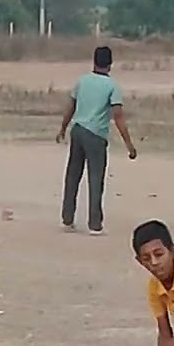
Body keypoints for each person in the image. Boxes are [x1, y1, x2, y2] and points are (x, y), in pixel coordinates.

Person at [56, 45, 136, 235]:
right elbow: (118, 116)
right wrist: (129, 144)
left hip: (78, 130)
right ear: (110, 64)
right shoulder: (112, 86)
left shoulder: (82, 81)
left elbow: (71, 107)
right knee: (95, 178)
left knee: (72, 175)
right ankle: (94, 224)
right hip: (96, 135)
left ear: (94, 61)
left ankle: (67, 219)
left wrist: (62, 128)